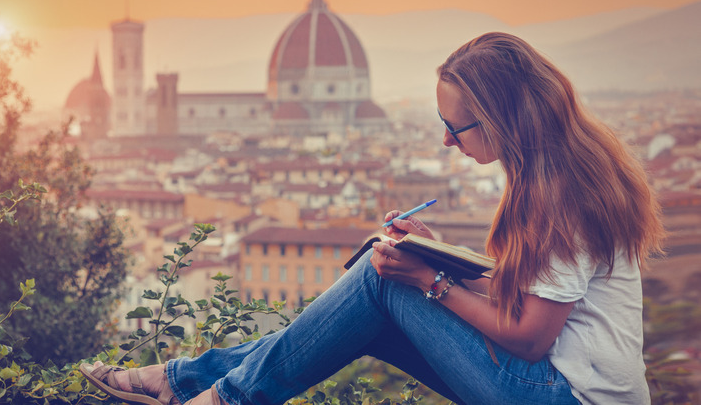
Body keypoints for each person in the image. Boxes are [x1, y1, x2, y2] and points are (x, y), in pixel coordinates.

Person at [80, 32, 665, 405]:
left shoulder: (561, 193)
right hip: (556, 384)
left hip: (566, 395)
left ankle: (211, 394)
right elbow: (534, 298)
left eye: (455, 127)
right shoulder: (556, 168)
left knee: (379, 282)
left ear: (499, 117)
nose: (446, 141)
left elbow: (532, 338)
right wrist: (440, 256)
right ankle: (188, 384)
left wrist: (430, 281)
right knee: (370, 311)